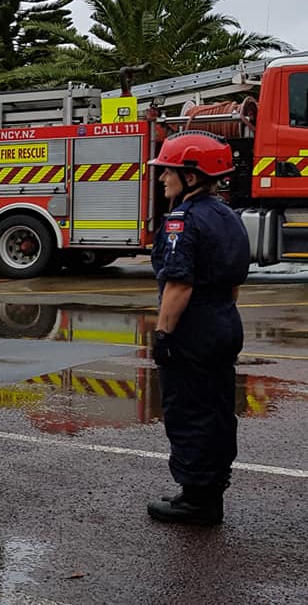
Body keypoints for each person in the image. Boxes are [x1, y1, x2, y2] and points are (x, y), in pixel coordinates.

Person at [145, 131, 250, 525]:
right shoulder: (229, 216)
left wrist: (163, 335)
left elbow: (179, 283)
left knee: (188, 409)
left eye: (167, 171)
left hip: (194, 327)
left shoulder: (182, 221)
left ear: (191, 174)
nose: (161, 179)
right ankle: (211, 490)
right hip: (224, 321)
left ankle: (197, 500)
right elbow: (234, 281)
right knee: (218, 409)